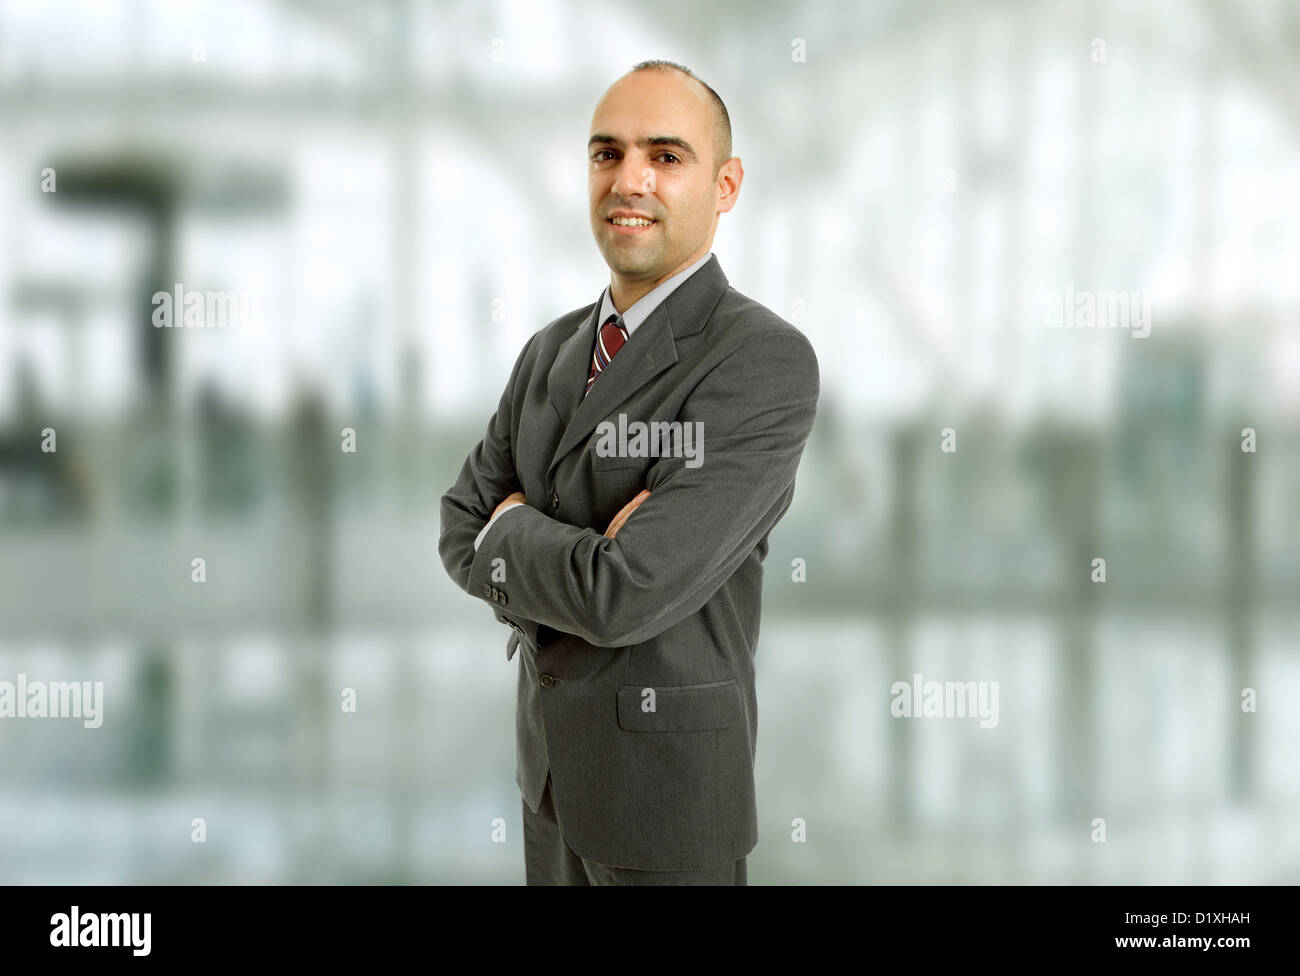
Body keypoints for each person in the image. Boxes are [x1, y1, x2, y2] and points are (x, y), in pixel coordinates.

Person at [438, 60, 819, 885]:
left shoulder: (759, 360)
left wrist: (513, 527)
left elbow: (627, 590)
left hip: (667, 803)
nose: (629, 180)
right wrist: (546, 541)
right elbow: (458, 524)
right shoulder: (550, 351)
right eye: (606, 154)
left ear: (726, 185)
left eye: (666, 156)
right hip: (548, 785)